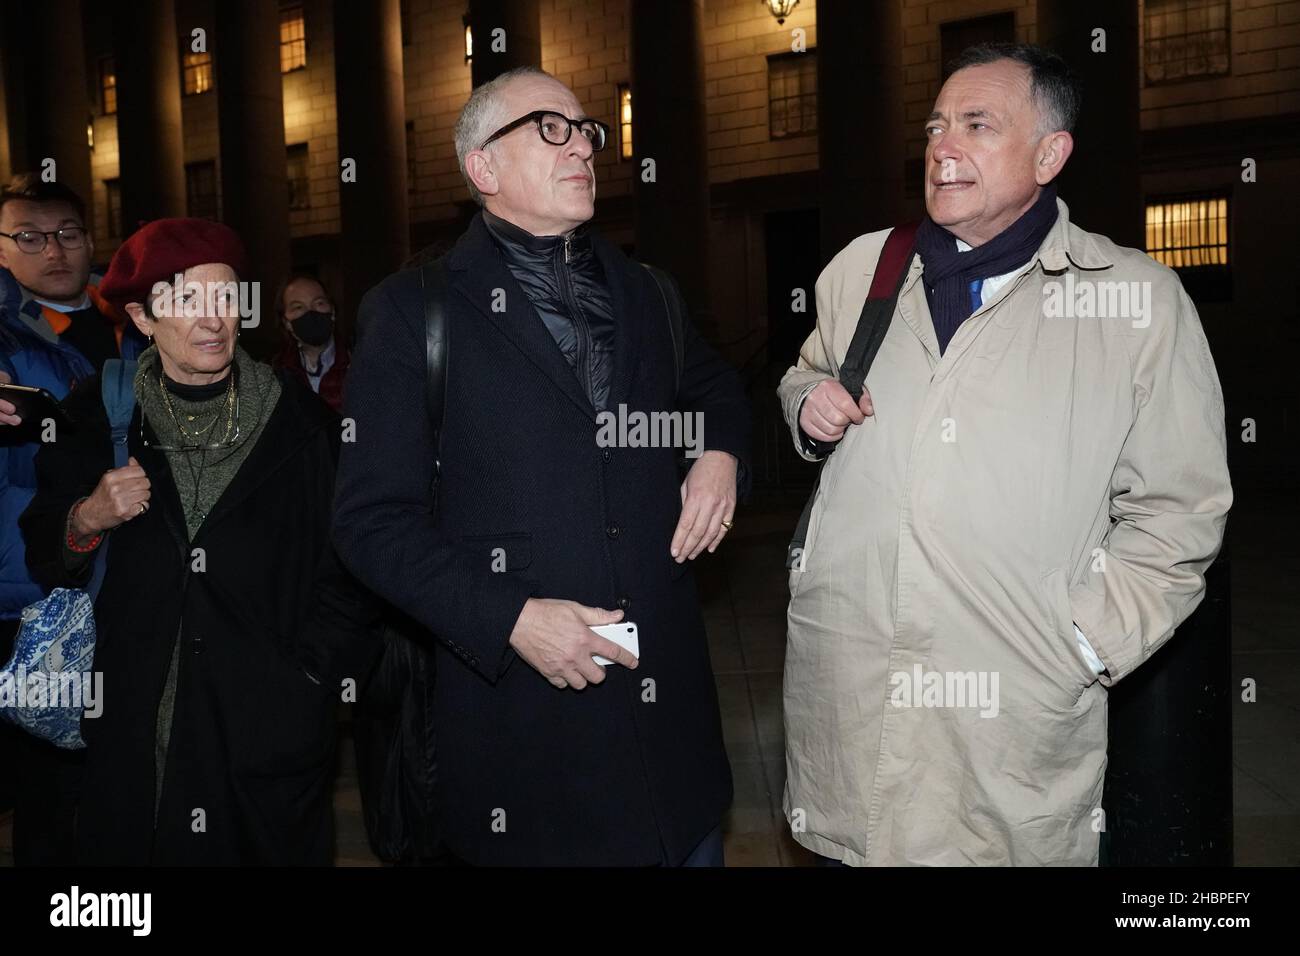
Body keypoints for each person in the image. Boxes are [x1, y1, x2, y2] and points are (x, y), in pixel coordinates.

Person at [778, 43, 1231, 866]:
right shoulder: (862, 269)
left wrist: (1081, 646)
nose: (942, 145)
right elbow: (806, 373)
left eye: (978, 124)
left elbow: (1181, 512)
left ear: (1051, 153)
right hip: (850, 702)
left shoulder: (1137, 303)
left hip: (1008, 729)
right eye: (936, 126)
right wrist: (807, 405)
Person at [333, 66, 752, 866]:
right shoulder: (413, 311)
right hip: (526, 747)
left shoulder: (648, 292)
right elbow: (368, 524)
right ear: (482, 169)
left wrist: (718, 454)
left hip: (674, 751)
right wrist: (511, 619)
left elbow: (712, 391)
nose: (582, 146)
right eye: (548, 128)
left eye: (585, 129)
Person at [20, 217, 375, 865]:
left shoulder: (303, 424)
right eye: (186, 300)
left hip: (263, 732)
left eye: (226, 298)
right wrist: (86, 518)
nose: (212, 319)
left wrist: (313, 680)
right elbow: (43, 545)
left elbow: (352, 570)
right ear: (143, 317)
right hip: (130, 723)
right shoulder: (94, 413)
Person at [0, 174, 146, 866]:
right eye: (27, 236)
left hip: (127, 587)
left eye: (67, 233)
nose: (52, 250)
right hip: (28, 600)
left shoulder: (134, 326)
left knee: (122, 787)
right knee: (48, 795)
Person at [271, 272, 350, 413]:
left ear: (332, 311)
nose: (311, 313)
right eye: (298, 307)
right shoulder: (273, 374)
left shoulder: (360, 364)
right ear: (286, 322)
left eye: (319, 303)